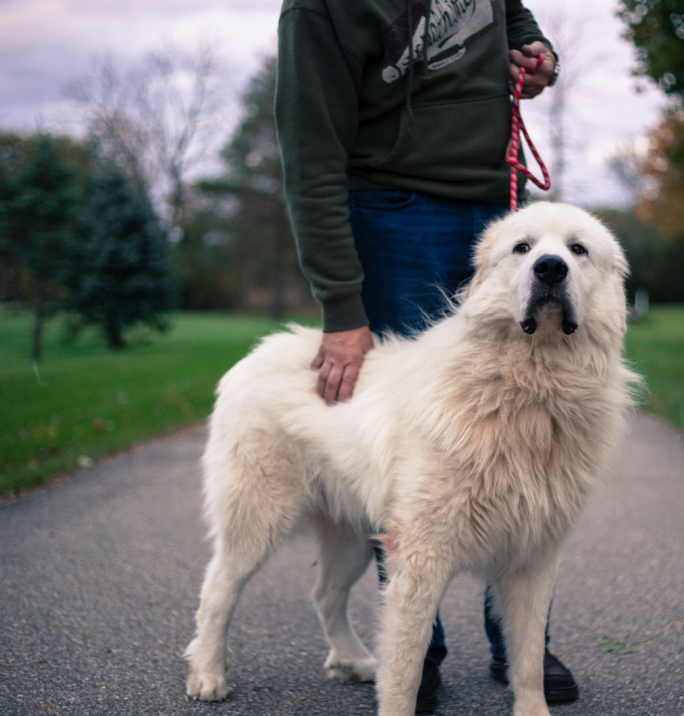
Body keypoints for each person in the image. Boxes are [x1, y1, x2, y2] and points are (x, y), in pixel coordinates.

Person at [276, 0, 576, 711]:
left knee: (532, 444)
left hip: (501, 206)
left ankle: (521, 649)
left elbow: (512, 15)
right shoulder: (316, 9)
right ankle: (416, 656)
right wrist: (342, 309)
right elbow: (310, 159)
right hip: (395, 214)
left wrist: (536, 55)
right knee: (418, 456)